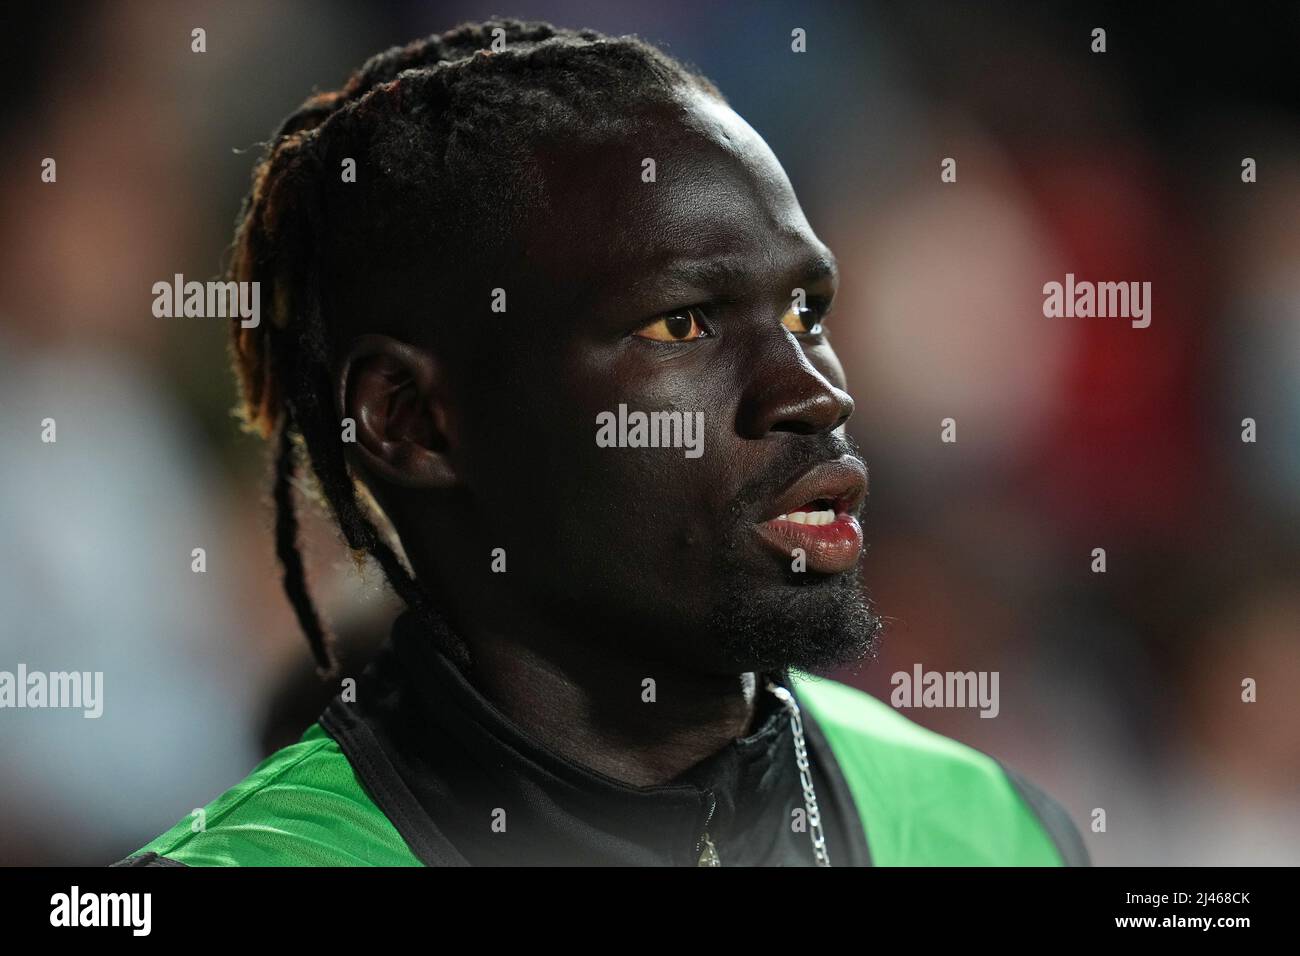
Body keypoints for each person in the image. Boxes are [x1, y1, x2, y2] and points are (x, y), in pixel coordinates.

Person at [117, 19, 1087, 867]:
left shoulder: (993, 832)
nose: (811, 389)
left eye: (805, 308)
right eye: (681, 324)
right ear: (407, 417)